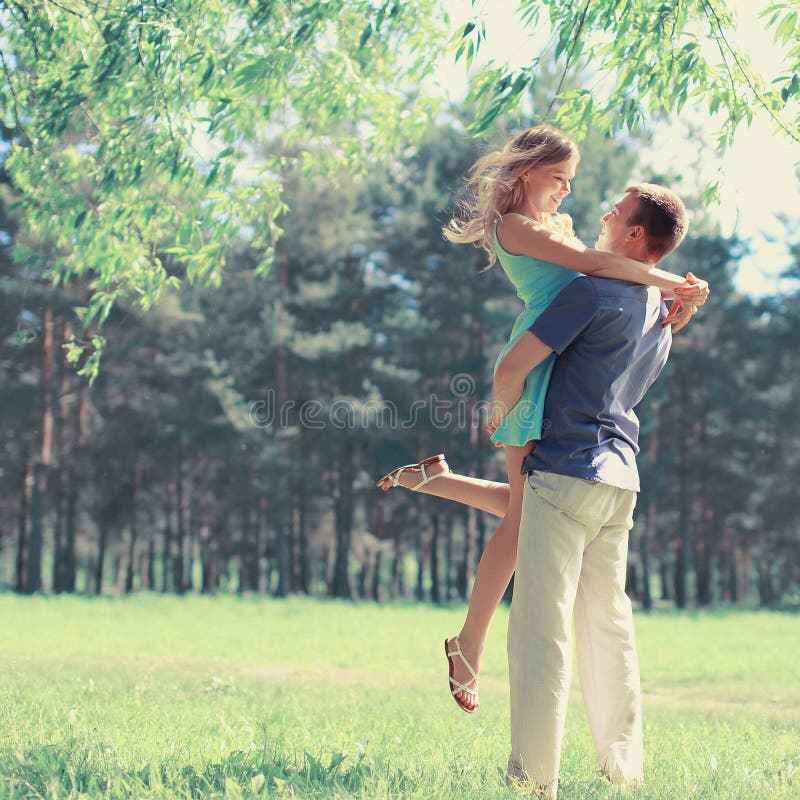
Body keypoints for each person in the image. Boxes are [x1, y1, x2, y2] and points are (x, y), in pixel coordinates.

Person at [375, 125, 708, 714]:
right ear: (527, 171)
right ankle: (468, 643)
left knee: (534, 506)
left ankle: (434, 480)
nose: (566, 190)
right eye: (559, 177)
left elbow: (608, 274)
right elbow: (596, 265)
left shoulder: (556, 222)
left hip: (560, 359)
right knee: (523, 520)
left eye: (570, 180)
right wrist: (678, 284)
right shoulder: (515, 227)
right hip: (534, 365)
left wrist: (675, 295)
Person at [496, 186, 688, 795]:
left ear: (634, 235)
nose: (603, 215)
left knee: (540, 631)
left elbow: (512, 367)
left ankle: (533, 782)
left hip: (563, 472)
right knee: (610, 628)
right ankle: (623, 770)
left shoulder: (589, 291)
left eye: (616, 211)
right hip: (620, 480)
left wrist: (503, 420)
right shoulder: (662, 311)